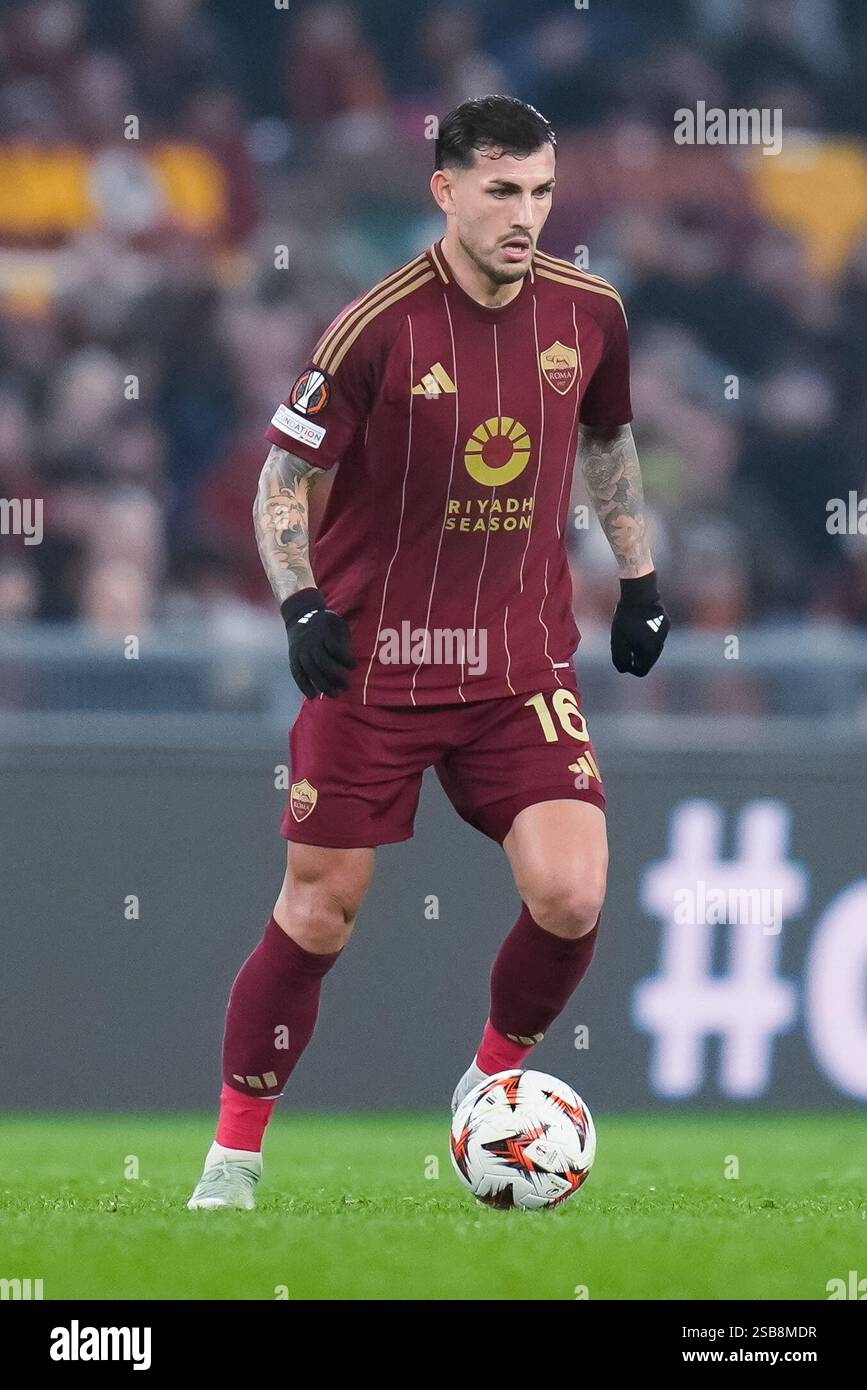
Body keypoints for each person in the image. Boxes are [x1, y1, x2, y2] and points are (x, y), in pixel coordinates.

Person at [188, 95, 669, 1210]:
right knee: (320, 910)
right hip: (380, 663)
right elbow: (283, 480)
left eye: (543, 191)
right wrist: (301, 604)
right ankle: (234, 1155)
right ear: (445, 190)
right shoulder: (376, 328)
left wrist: (638, 576)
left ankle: (487, 1091)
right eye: (503, 190)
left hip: (518, 664)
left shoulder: (591, 313)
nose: (527, 215)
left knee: (573, 893)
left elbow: (608, 436)